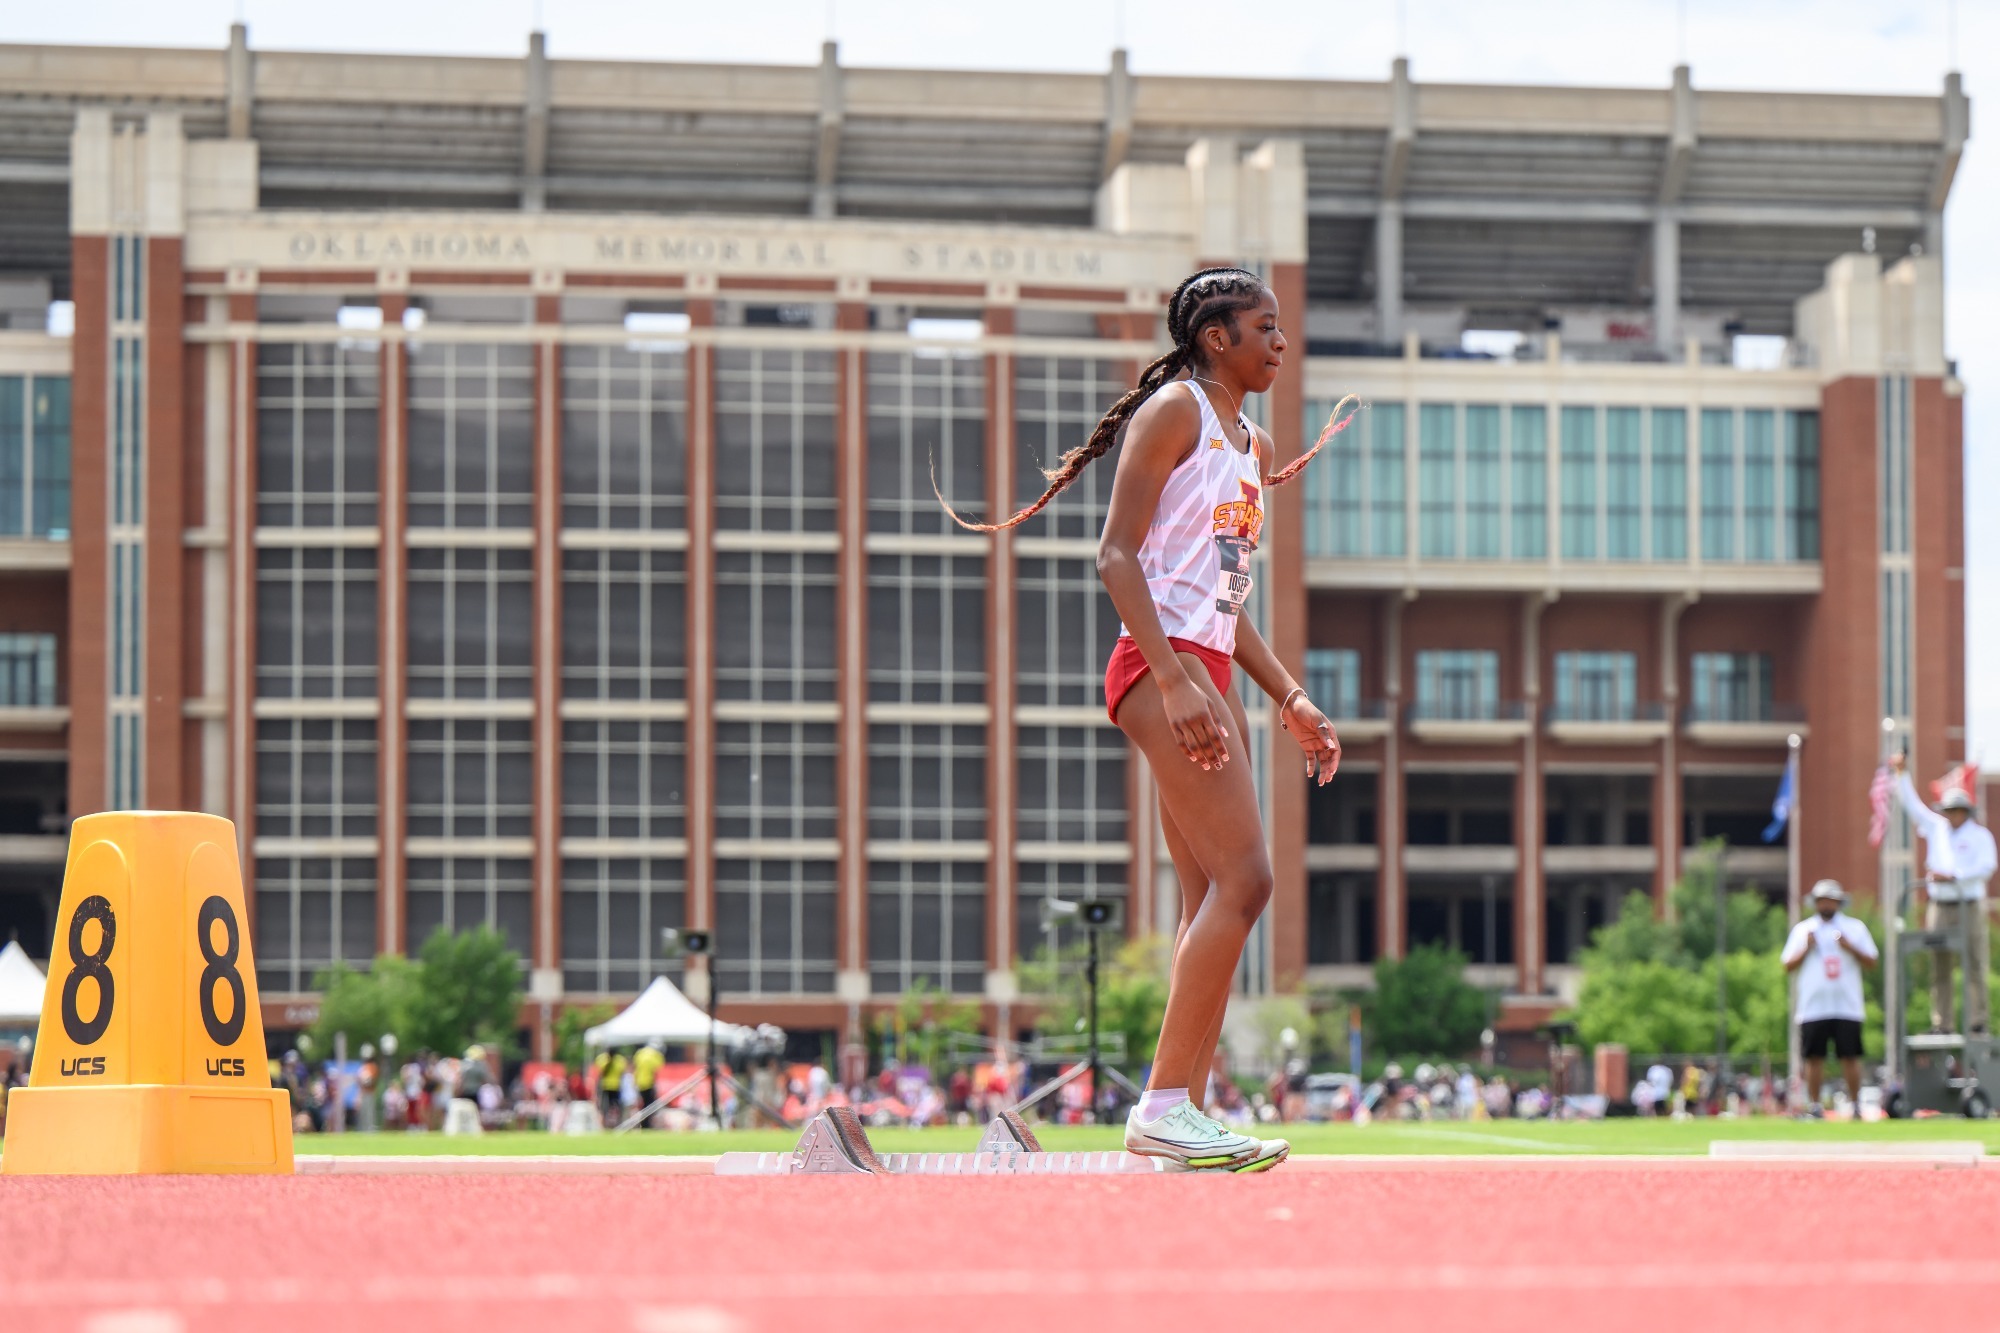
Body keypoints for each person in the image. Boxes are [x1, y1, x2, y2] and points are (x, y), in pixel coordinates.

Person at [940, 268, 1348, 1173]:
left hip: (1206, 668)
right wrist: (1172, 681)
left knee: (1211, 896)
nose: (1281, 343)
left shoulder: (1251, 442)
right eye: (1265, 327)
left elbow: (1223, 598)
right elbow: (1116, 555)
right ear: (1216, 337)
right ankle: (1164, 1104)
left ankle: (1183, 1112)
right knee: (1249, 879)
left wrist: (1289, 695)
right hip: (1163, 668)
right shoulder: (1177, 409)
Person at [1890, 753, 1997, 1032]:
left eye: (1956, 810)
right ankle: (1942, 1023)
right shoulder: (1937, 828)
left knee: (1975, 963)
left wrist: (1954, 877)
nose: (1951, 815)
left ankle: (1977, 1022)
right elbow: (1912, 807)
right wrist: (1901, 774)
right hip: (1939, 904)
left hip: (1969, 905)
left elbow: (1988, 867)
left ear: (1965, 811)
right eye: (1948, 810)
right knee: (1939, 965)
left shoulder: (1980, 835)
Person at [1781, 879, 1879, 1113]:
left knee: (1851, 1057)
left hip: (1847, 1005)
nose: (1826, 905)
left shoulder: (1854, 928)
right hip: (1814, 1006)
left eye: (1830, 900)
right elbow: (1787, 965)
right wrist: (1806, 947)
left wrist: (1849, 947)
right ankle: (1815, 1106)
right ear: (1815, 903)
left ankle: (1855, 1105)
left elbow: (1872, 961)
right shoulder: (1803, 930)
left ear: (1838, 902)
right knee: (1814, 1057)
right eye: (1822, 900)